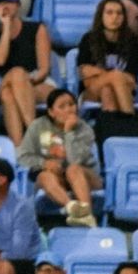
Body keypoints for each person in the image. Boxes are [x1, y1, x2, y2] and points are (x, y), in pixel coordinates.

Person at [16, 88, 99, 227]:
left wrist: (68, 132)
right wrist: (43, 163)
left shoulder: (84, 129)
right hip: (56, 178)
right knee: (44, 176)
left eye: (71, 104)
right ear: (51, 112)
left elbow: (75, 160)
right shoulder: (38, 126)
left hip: (85, 176)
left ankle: (88, 216)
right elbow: (22, 156)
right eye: (62, 106)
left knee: (72, 169)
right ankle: (73, 208)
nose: (69, 110)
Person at [0, 0, 55, 145]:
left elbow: (44, 69)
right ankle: (33, 136)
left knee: (9, 93)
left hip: (38, 82)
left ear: (18, 5)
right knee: (16, 74)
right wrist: (6, 28)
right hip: (6, 81)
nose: (5, 6)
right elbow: (0, 60)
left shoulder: (37, 29)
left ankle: (21, 147)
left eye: (9, 2)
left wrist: (25, 81)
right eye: (0, 3)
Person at [76, 0, 138, 115]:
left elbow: (131, 80)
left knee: (107, 92)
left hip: (122, 90)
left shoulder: (133, 42)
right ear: (101, 16)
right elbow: (85, 74)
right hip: (91, 92)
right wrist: (114, 76)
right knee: (116, 76)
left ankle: (111, 126)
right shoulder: (89, 39)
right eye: (109, 13)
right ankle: (130, 119)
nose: (114, 17)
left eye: (119, 13)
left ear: (124, 17)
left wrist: (99, 73)